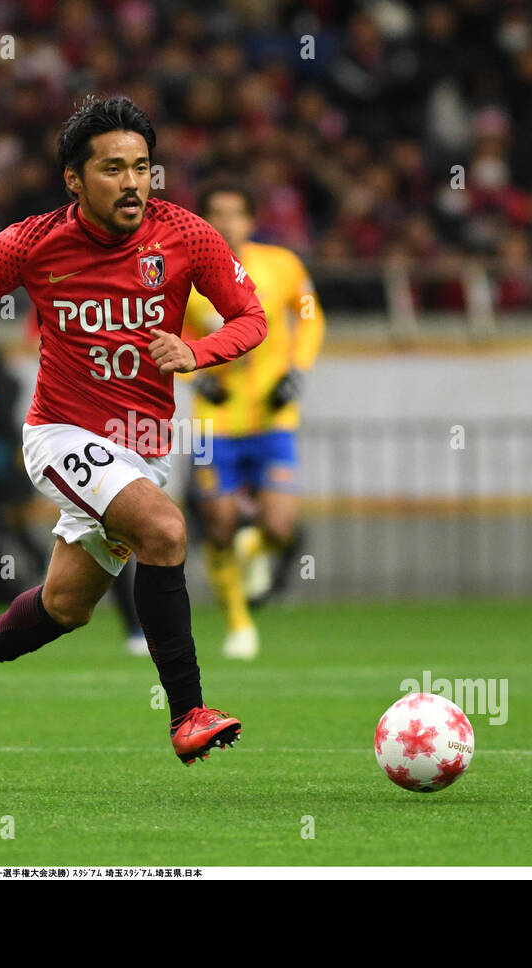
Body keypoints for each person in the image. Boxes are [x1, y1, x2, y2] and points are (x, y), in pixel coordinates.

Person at [0, 95, 266, 764]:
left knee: (66, 606)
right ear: (74, 178)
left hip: (142, 449)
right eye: (113, 168)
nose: (132, 183)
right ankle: (189, 712)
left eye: (142, 167)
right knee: (167, 530)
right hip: (61, 434)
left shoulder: (187, 235)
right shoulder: (33, 243)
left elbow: (250, 317)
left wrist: (195, 353)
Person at [182, 184, 326, 659]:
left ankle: (254, 553)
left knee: (280, 526)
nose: (225, 223)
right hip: (214, 422)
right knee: (219, 523)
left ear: (250, 220)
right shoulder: (185, 274)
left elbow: (309, 315)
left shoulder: (282, 265)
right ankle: (239, 624)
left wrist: (298, 372)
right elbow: (166, 330)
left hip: (272, 415)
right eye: (215, 213)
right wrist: (193, 375)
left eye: (235, 213)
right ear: (203, 221)